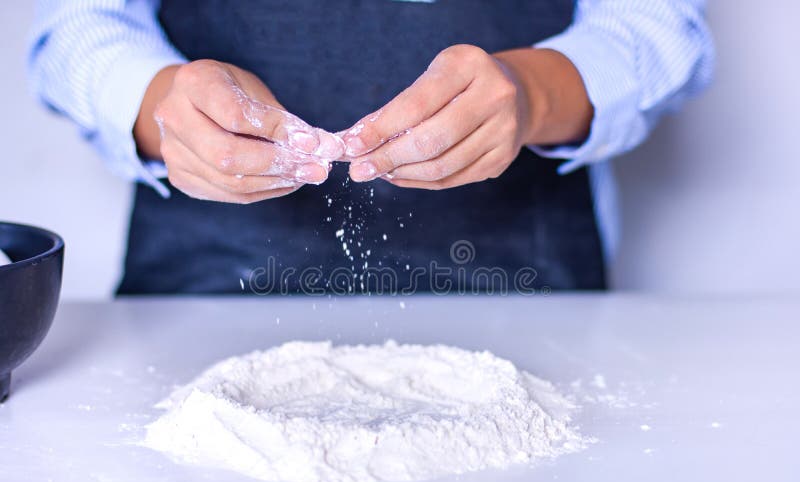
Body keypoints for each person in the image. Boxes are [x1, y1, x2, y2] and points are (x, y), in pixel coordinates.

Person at [28, 0, 713, 295]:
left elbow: (658, 27)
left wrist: (531, 94)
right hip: (201, 294)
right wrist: (161, 103)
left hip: (525, 291)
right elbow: (74, 31)